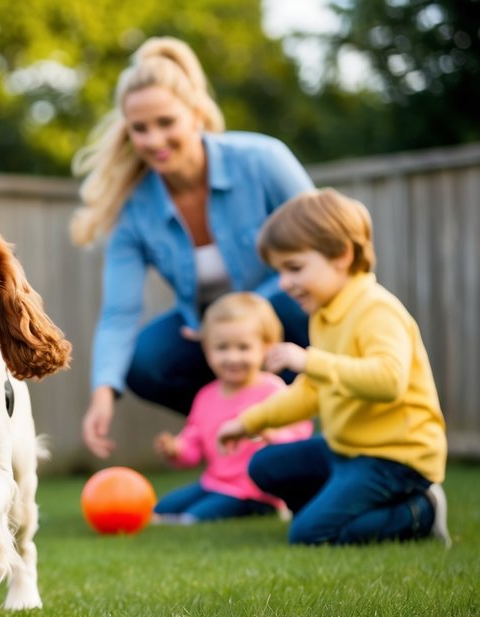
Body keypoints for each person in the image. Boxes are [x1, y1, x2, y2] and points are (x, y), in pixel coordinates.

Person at [71, 36, 314, 459]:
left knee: (300, 300)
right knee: (144, 361)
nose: (153, 139)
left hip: (290, 318)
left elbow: (325, 246)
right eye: (140, 128)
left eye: (166, 122)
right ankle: (228, 434)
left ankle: (302, 432)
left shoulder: (263, 160)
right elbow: (118, 314)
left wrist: (240, 314)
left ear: (197, 113)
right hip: (210, 336)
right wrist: (102, 392)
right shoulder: (133, 209)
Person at [217, 188, 450, 547]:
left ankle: (422, 510)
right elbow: (312, 391)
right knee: (263, 466)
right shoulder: (324, 315)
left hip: (395, 457)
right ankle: (335, 505)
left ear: (341, 255)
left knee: (309, 535)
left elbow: (389, 380)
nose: (284, 283)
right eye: (279, 271)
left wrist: (309, 360)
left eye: (294, 268)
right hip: (345, 447)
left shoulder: (376, 310)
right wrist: (249, 422)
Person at [152, 292, 312, 524]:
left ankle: (266, 508)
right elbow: (194, 445)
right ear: (207, 350)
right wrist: (177, 449)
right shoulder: (206, 396)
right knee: (160, 509)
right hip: (214, 482)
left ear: (266, 347)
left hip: (253, 491)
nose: (232, 357)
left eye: (243, 347)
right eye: (222, 348)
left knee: (192, 518)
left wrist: (270, 434)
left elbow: (298, 440)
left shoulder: (273, 390)